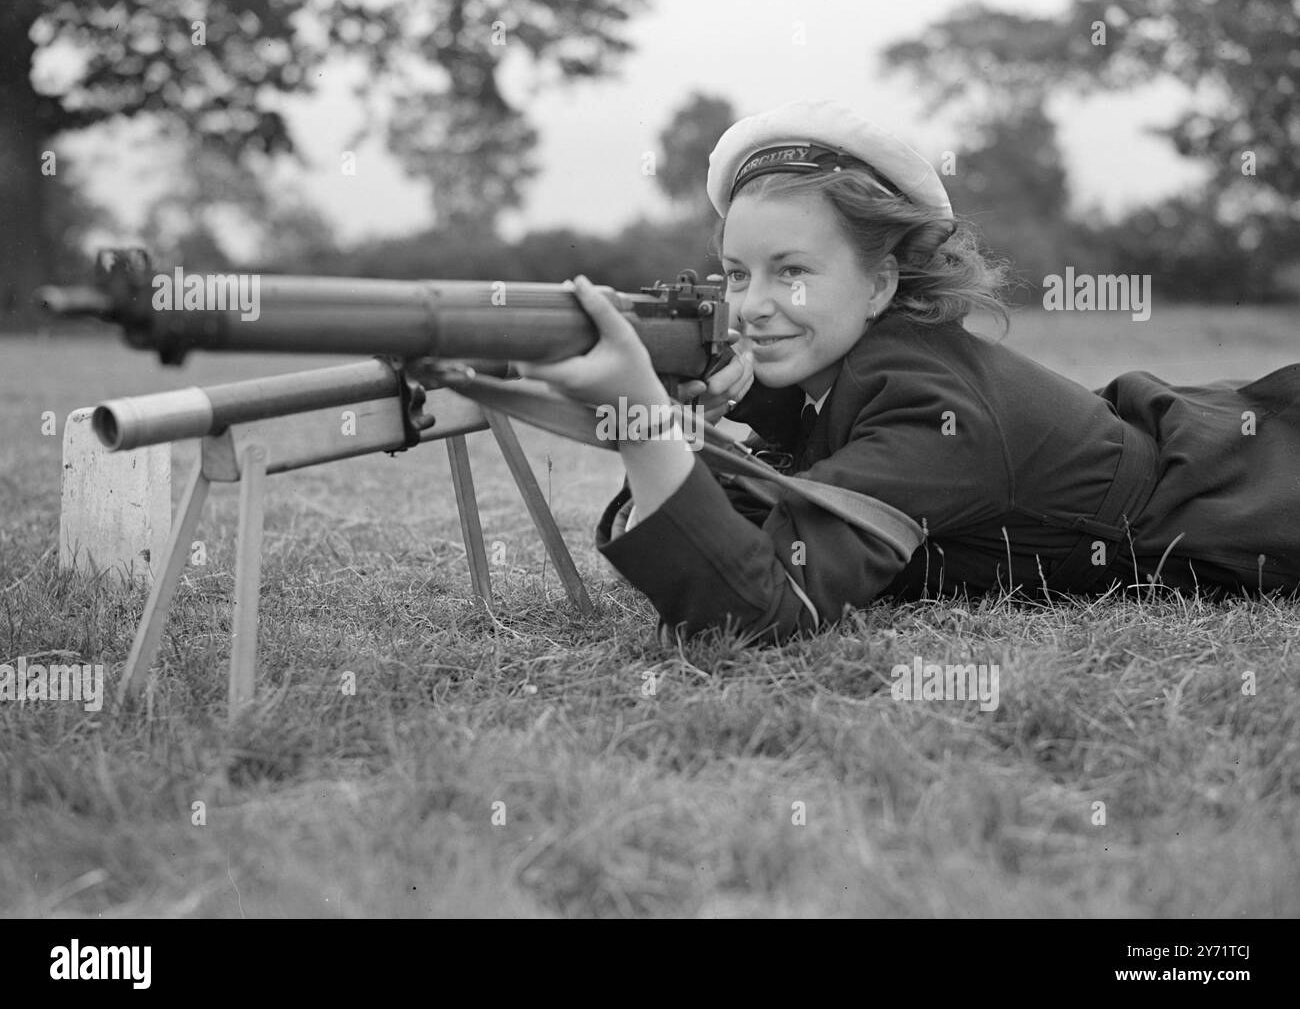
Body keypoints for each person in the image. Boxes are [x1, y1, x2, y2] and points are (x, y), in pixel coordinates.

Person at [520, 100, 1300, 643]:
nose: (753, 306)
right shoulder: (874, 361)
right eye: (736, 273)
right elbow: (806, 461)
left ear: (883, 283)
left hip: (1252, 487)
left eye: (791, 272)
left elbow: (753, 610)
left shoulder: (929, 407)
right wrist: (712, 399)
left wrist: (646, 420)